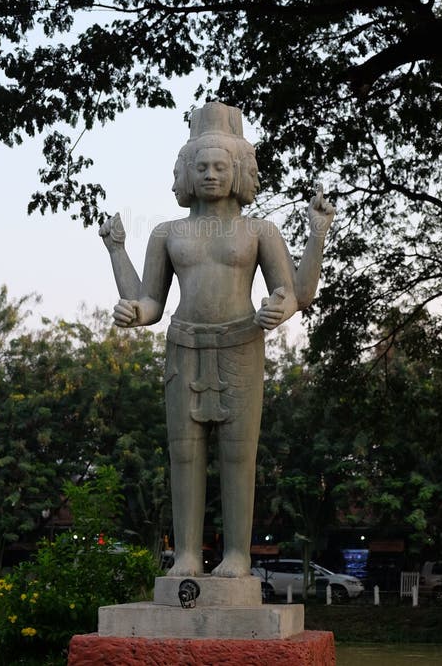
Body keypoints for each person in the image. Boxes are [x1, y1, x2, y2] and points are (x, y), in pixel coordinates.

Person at [100, 101, 334, 577]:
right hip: (184, 346)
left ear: (239, 172)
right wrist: (119, 262)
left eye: (220, 166)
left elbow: (296, 293)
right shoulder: (168, 232)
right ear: (186, 172)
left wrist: (316, 238)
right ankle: (186, 554)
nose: (210, 174)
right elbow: (150, 303)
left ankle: (237, 556)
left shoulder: (259, 230)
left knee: (237, 454)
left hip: (241, 344)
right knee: (184, 453)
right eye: (201, 166)